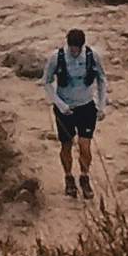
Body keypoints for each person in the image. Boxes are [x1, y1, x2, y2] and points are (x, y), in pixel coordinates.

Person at [45, 23, 105, 200]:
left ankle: (84, 176)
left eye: (77, 49)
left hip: (86, 106)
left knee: (85, 146)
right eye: (72, 48)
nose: (74, 52)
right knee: (66, 145)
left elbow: (102, 79)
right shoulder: (56, 58)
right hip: (65, 108)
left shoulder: (92, 56)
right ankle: (68, 177)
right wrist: (60, 105)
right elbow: (46, 82)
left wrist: (102, 105)